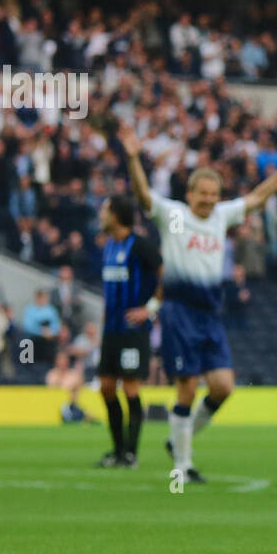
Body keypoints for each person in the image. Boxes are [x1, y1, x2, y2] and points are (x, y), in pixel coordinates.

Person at [119, 127, 277, 482]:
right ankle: (182, 467)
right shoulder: (173, 215)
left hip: (210, 314)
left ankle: (179, 443)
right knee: (187, 386)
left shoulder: (222, 215)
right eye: (202, 193)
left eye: (213, 194)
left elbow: (257, 197)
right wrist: (132, 157)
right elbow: (143, 194)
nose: (207, 199)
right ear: (189, 194)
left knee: (222, 387)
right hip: (178, 312)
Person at [95, 195, 162, 468]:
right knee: (106, 387)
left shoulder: (141, 245)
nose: (101, 214)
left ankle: (131, 454)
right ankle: (117, 450)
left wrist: (151, 308)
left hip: (133, 331)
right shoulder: (109, 246)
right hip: (111, 331)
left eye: (104, 209)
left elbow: (164, 273)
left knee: (130, 387)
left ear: (115, 215)